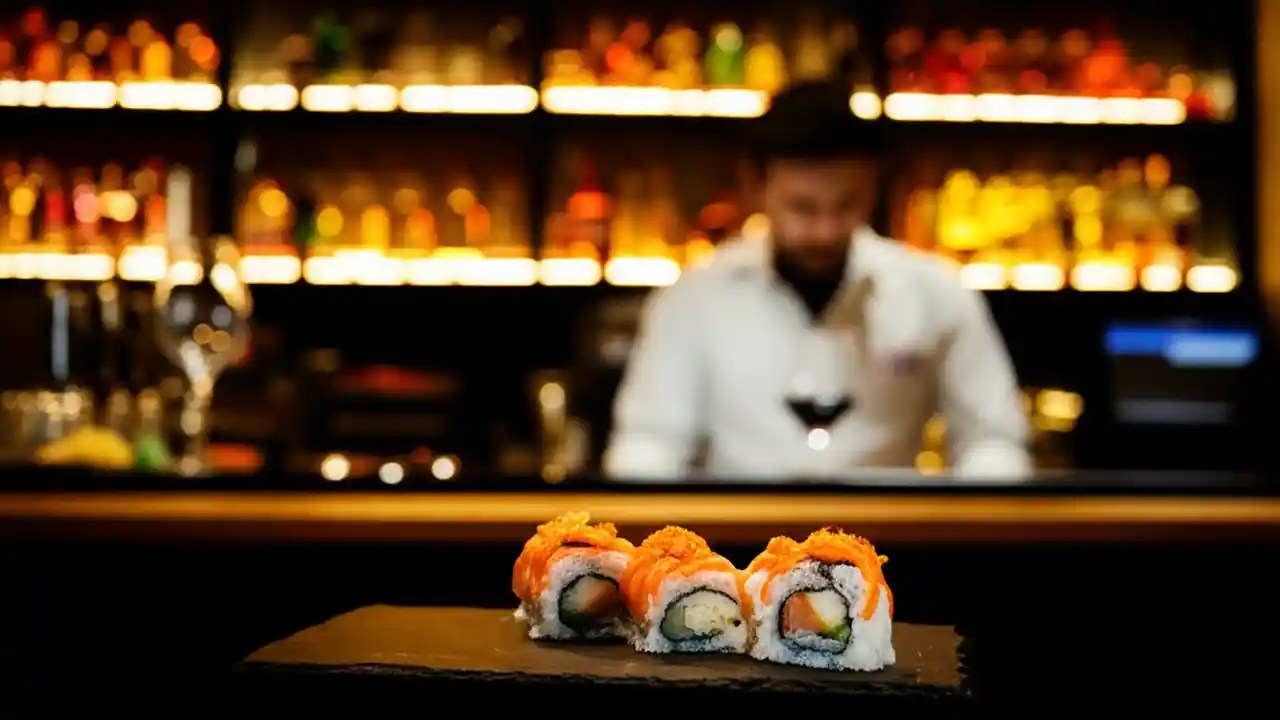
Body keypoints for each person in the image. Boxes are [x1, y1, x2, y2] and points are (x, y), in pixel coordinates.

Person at [602, 80, 1031, 481]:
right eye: (803, 208)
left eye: (846, 205)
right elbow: (647, 445)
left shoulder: (936, 293)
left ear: (872, 188)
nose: (826, 230)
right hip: (737, 552)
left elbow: (993, 439)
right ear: (756, 189)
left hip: (888, 548)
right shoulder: (694, 298)